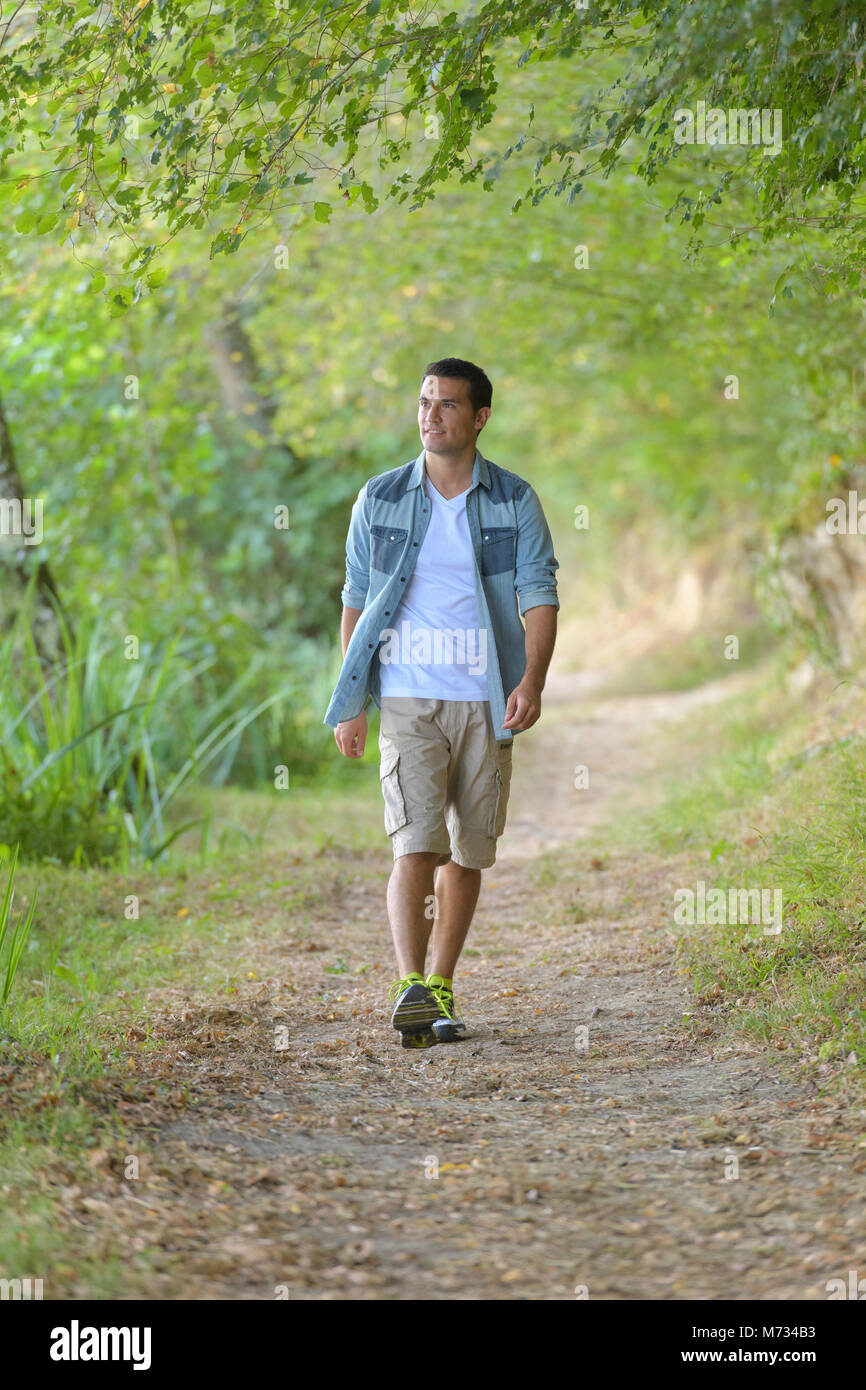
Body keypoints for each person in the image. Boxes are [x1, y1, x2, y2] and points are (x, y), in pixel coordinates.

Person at [323, 357, 559, 1047]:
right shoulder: (382, 496)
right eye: (425, 401)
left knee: (469, 851)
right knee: (414, 844)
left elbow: (539, 594)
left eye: (448, 405)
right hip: (406, 697)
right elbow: (357, 599)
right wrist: (353, 697)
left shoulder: (514, 499)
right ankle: (409, 985)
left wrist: (532, 681)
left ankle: (444, 981)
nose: (431, 415)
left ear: (480, 417)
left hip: (486, 697)